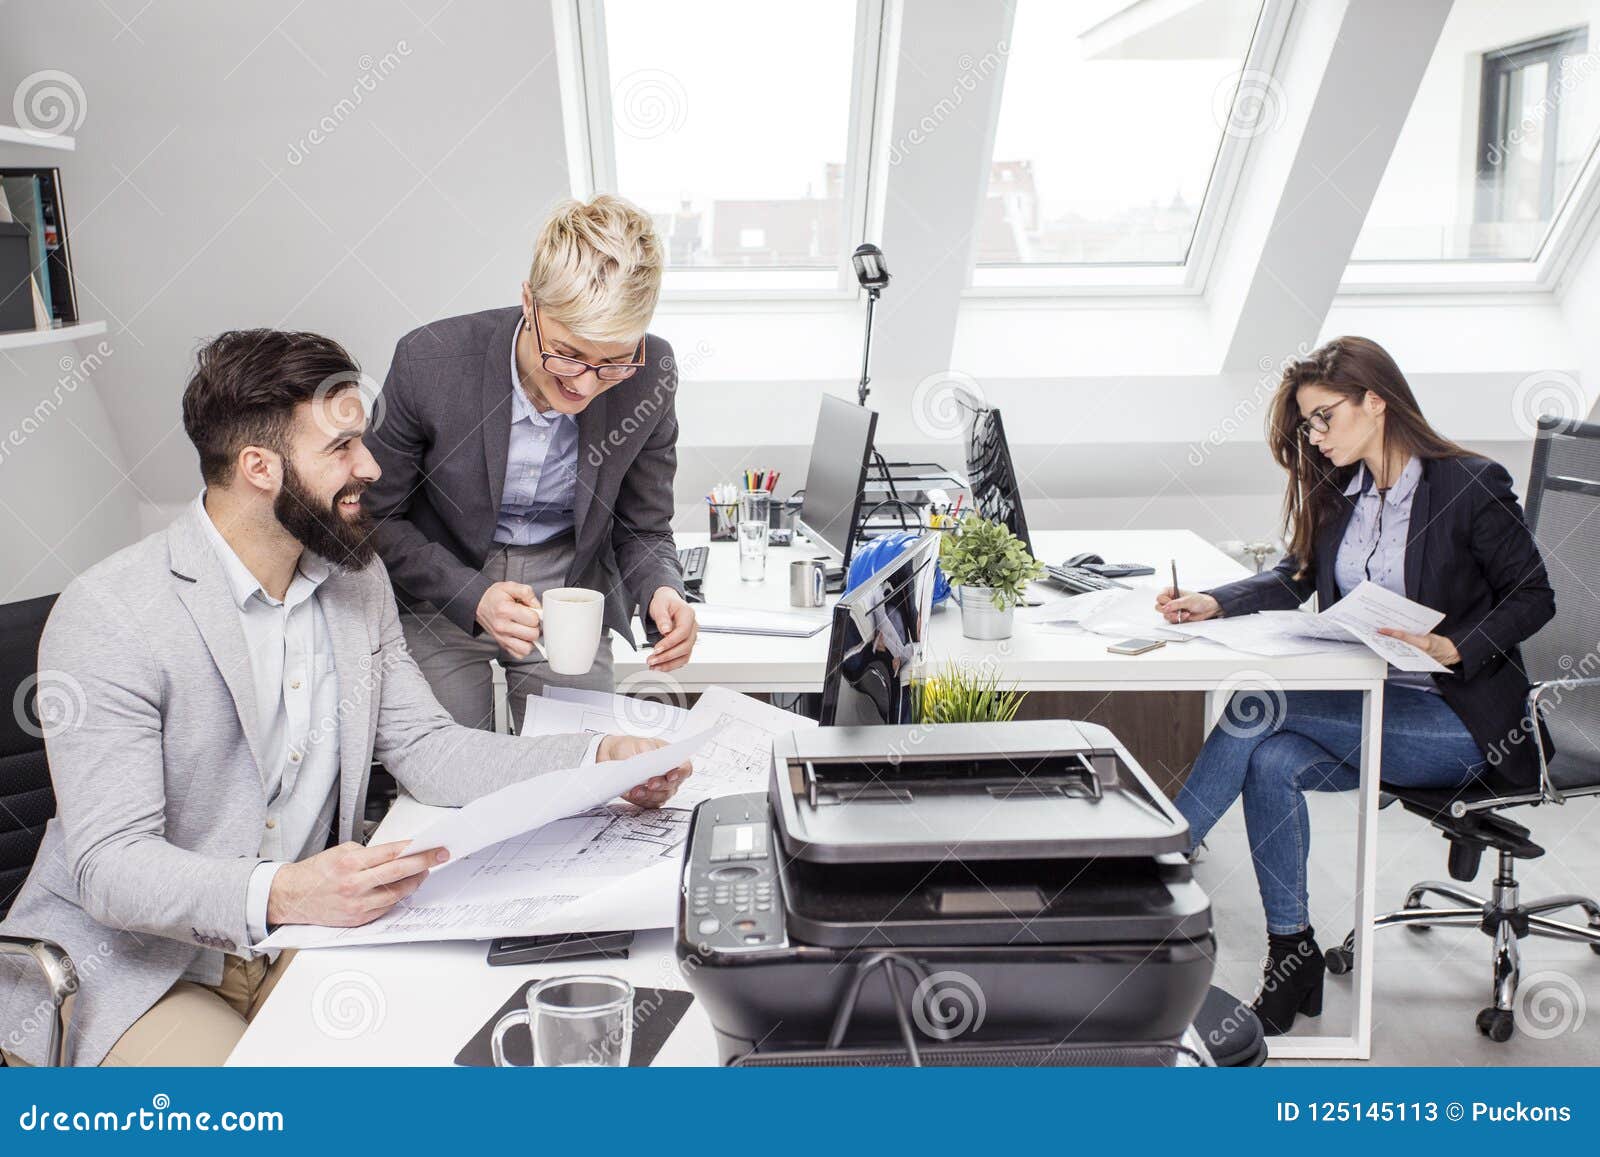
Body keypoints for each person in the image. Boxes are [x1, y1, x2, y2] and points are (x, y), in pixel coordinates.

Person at [0, 330, 689, 1067]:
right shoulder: (113, 612)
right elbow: (111, 867)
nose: (372, 467)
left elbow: (428, 748)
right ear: (258, 467)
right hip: (142, 966)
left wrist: (597, 762)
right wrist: (285, 892)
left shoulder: (353, 582)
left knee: (447, 1063)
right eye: (341, 448)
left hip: (301, 939)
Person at [1156, 336, 1554, 1035]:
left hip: (1459, 719)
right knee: (1272, 759)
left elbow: (1534, 595)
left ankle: (1153, 862)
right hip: (1376, 702)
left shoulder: (1468, 484)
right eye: (1307, 423)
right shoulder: (1343, 488)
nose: (1314, 435)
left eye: (1323, 417)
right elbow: (1297, 576)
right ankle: (1292, 952)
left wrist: (1454, 644)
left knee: (1255, 708)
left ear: (1377, 400)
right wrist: (1217, 600)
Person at [366, 195, 698, 731]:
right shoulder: (429, 361)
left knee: (579, 773)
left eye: (612, 362)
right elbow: (373, 517)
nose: (584, 383)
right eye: (566, 352)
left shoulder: (652, 371)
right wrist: (472, 595)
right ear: (528, 301)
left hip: (571, 594)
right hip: (442, 588)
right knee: (453, 772)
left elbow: (643, 527)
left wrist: (661, 588)